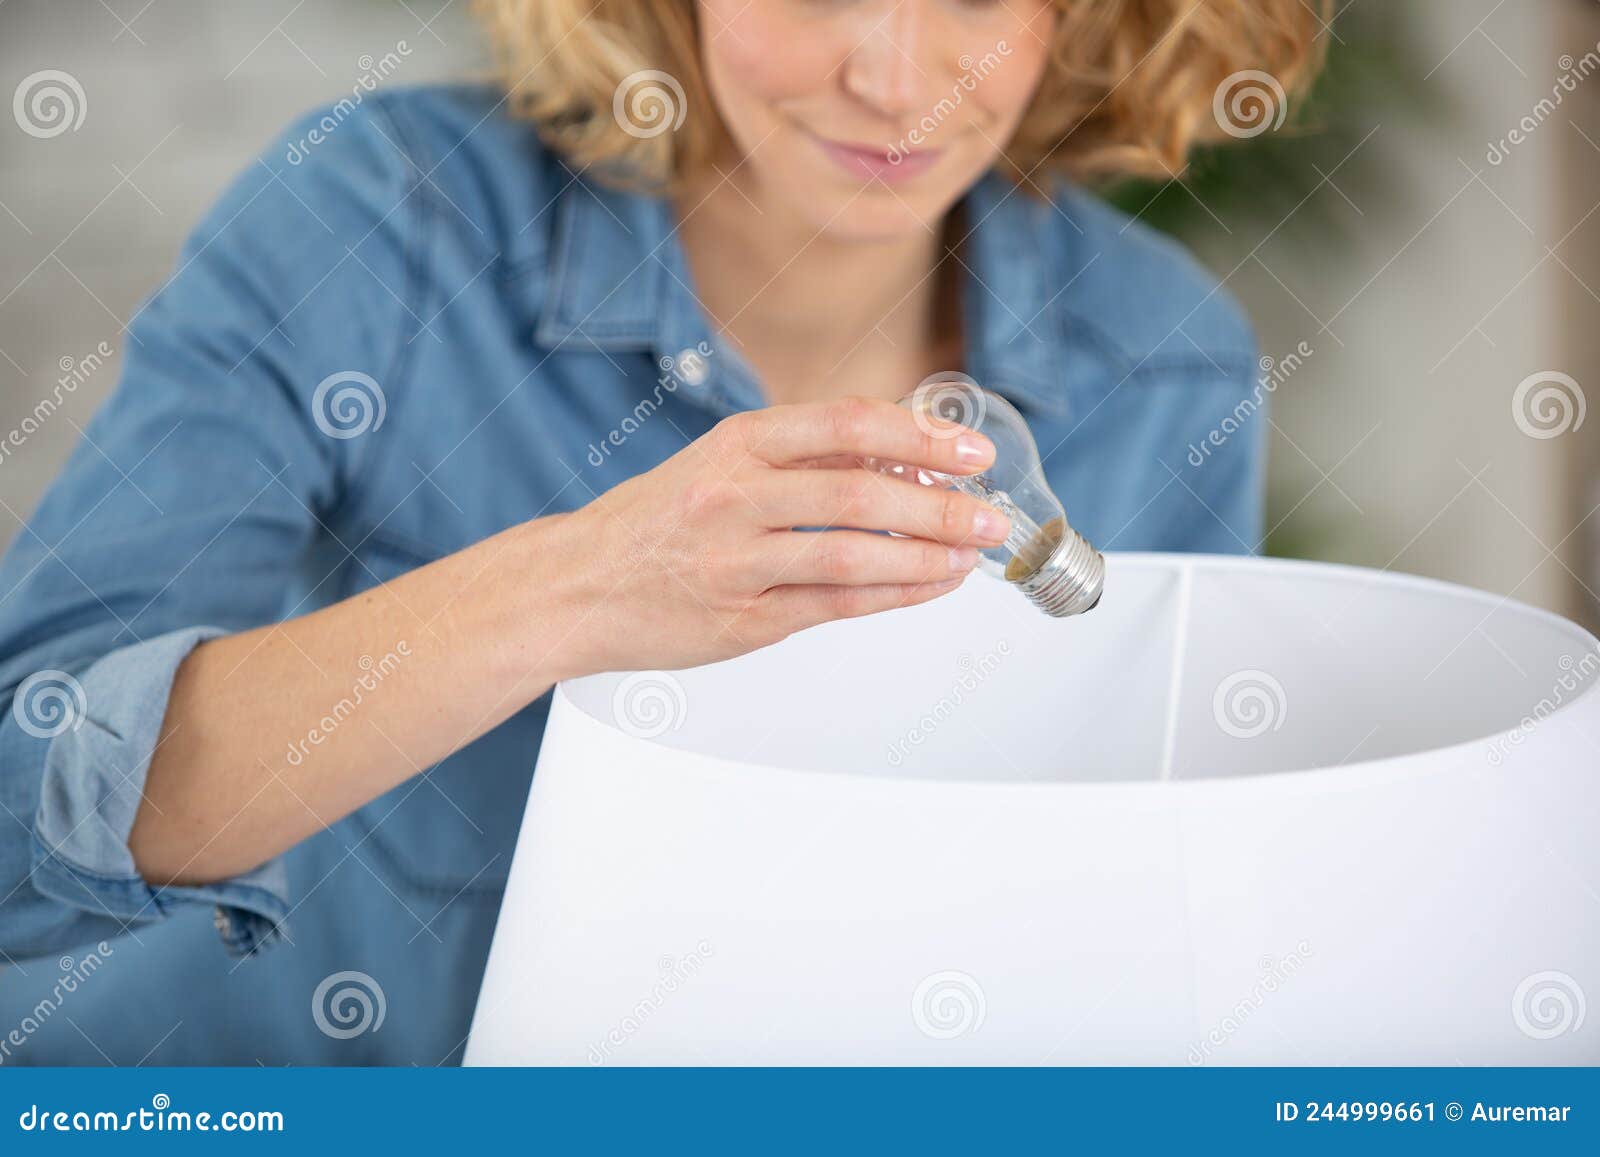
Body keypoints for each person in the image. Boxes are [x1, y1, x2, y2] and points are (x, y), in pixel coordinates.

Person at [0, 0, 1326, 1064]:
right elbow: (20, 810)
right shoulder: (380, 223)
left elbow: (1149, 923)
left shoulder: (1169, 364)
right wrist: (578, 585)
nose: (900, 74)